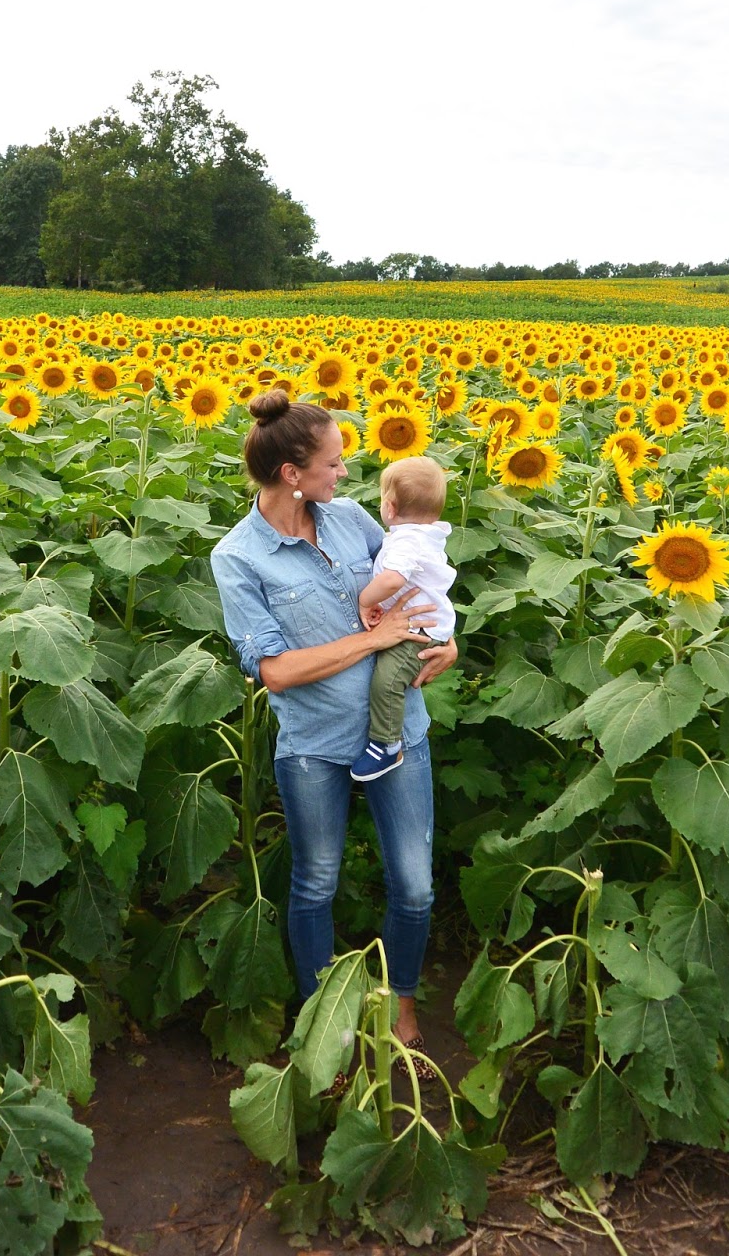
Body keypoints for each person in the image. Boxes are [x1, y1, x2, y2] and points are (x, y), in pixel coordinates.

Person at [210, 391, 457, 1075]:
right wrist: (370, 640)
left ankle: (401, 1005)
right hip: (314, 742)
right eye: (333, 462)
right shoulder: (238, 557)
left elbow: (417, 588)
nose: (345, 473)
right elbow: (274, 671)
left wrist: (447, 641)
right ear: (292, 473)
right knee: (315, 884)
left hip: (398, 730)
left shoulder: (351, 521)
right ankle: (324, 1025)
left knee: (415, 886)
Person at [351, 457, 456, 783]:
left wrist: (366, 598)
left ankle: (386, 744)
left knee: (388, 681)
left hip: (418, 632)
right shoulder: (423, 536)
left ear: (390, 507)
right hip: (423, 624)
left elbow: (394, 578)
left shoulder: (407, 541)